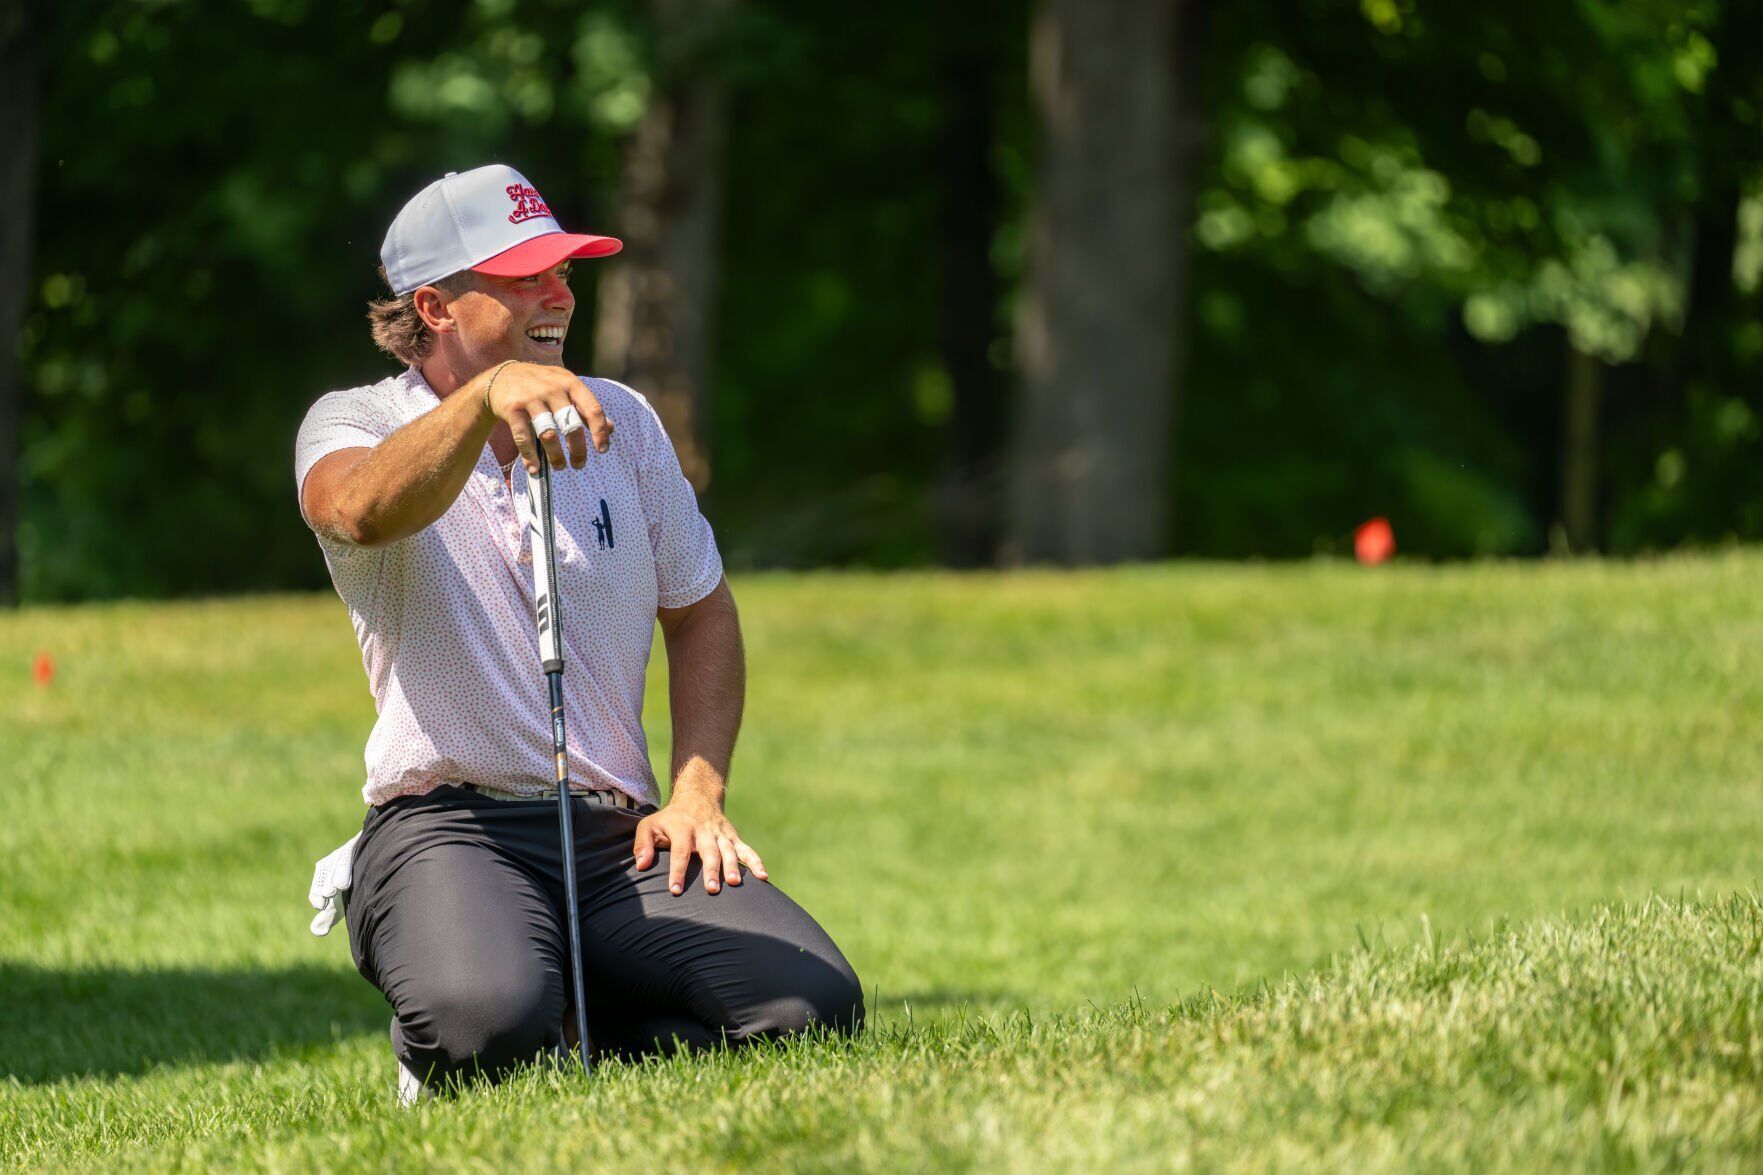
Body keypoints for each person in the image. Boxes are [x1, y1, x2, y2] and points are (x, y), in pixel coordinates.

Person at [294, 164, 863, 1097]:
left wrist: (696, 794)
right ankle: (484, 1015)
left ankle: (581, 1020)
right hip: (447, 827)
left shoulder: (622, 421)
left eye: (563, 271)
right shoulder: (353, 421)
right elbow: (356, 510)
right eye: (526, 278)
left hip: (614, 835)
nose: (560, 294)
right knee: (486, 1025)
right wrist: (481, 401)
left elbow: (701, 607)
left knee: (808, 1008)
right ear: (434, 306)